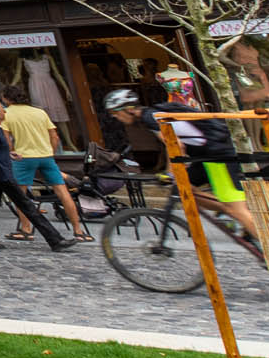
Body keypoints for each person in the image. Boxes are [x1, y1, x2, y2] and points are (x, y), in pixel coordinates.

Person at [105, 89, 261, 247]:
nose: (115, 117)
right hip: (205, 156)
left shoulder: (150, 117)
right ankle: (226, 211)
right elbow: (174, 145)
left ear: (129, 109)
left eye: (116, 113)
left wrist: (170, 173)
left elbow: (176, 146)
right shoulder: (154, 114)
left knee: (237, 210)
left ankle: (240, 220)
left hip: (218, 156)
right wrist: (171, 173)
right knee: (183, 189)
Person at [0, 100, 75, 251]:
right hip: (1, 175)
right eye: (2, 110)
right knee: (27, 206)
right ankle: (55, 240)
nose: (5, 112)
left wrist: (8, 153)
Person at [1, 90, 92, 242]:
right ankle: (78, 231)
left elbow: (6, 140)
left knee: (20, 196)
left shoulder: (6, 113)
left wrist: (11, 152)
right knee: (63, 193)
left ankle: (26, 229)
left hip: (23, 157)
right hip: (45, 155)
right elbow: (54, 135)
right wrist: (51, 151)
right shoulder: (40, 112)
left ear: (6, 99)